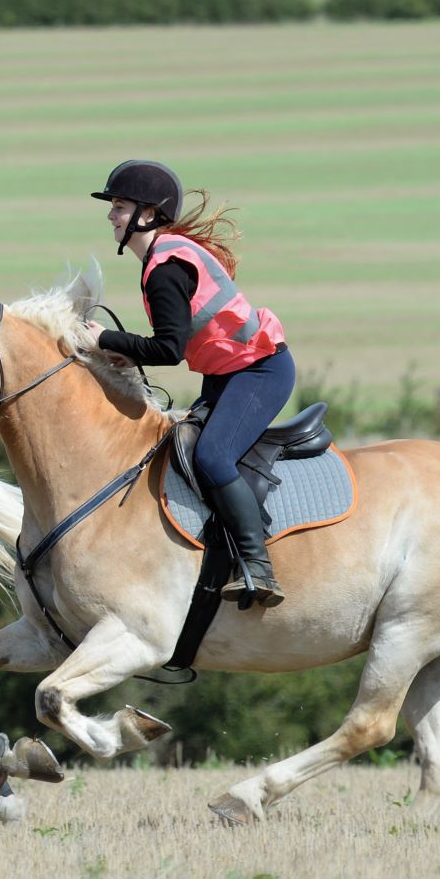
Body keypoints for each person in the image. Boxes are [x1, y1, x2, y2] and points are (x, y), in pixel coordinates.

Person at [85, 158, 292, 606]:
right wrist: (125, 350)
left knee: (213, 456)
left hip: (258, 372)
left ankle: (258, 566)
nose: (111, 216)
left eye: (119, 206)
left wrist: (103, 339)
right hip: (226, 375)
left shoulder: (165, 268)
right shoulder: (162, 256)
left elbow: (168, 349)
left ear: (148, 213)